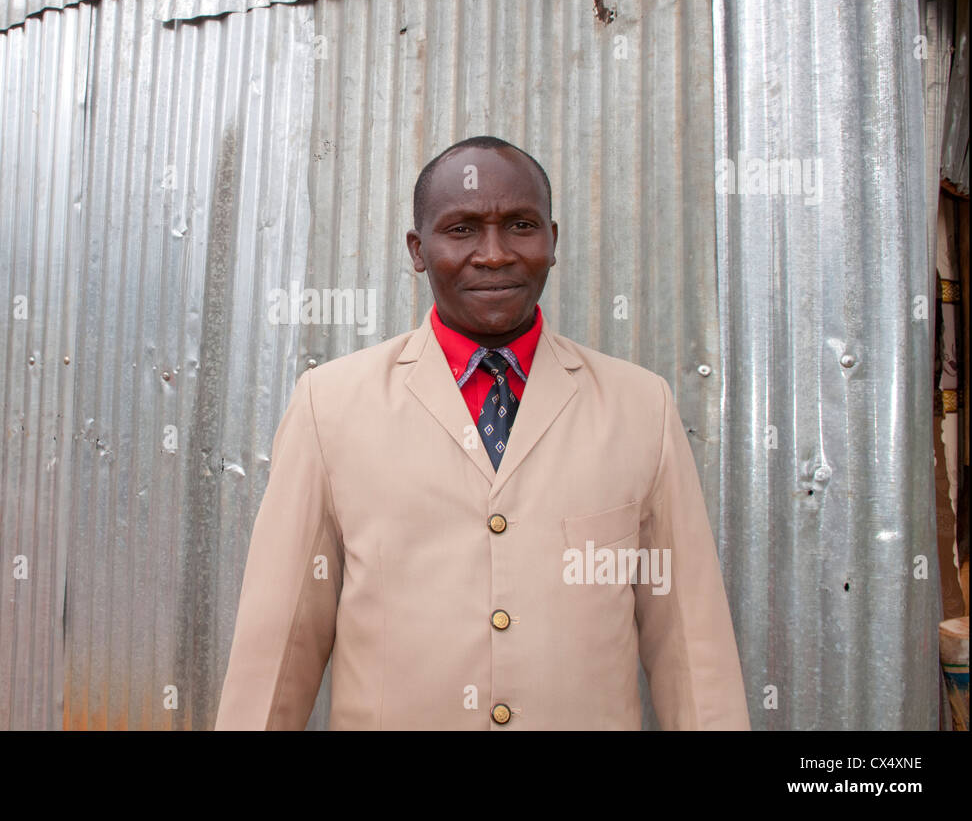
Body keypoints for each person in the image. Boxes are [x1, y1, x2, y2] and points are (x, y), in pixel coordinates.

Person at [214, 135, 749, 730]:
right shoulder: (330, 404)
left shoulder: (640, 406)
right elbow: (279, 644)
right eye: (462, 229)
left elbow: (691, 645)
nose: (494, 254)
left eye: (520, 226)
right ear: (418, 250)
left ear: (553, 241)